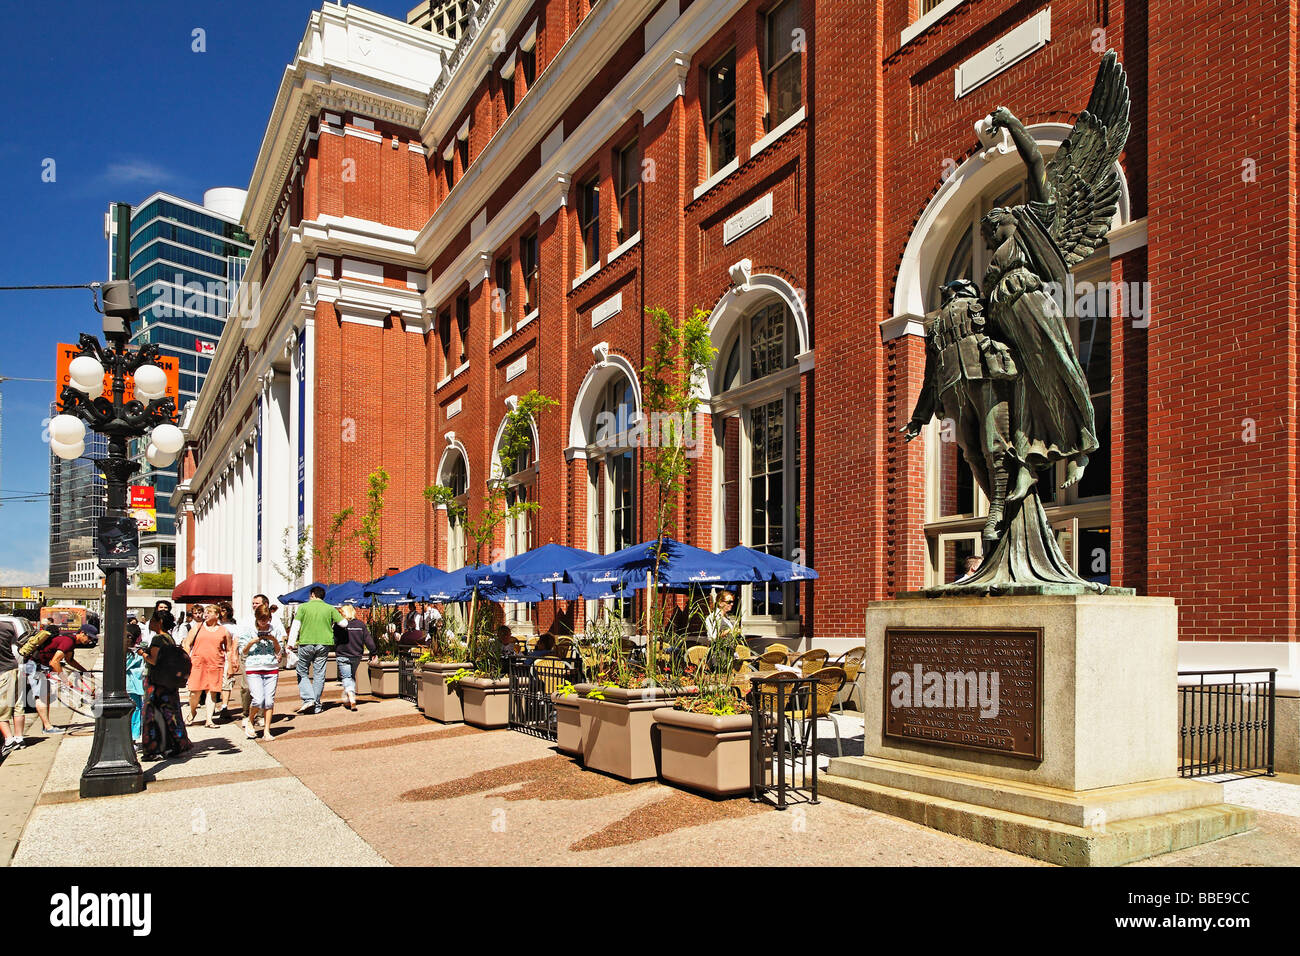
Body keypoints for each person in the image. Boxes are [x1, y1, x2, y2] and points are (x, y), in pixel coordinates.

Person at [139, 610, 192, 761]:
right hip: (169, 682)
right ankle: (177, 743)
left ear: (159, 622)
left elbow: (153, 660)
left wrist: (142, 653)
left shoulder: (158, 639)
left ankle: (153, 749)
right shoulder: (169, 638)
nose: (151, 623)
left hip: (156, 682)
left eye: (153, 620)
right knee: (171, 713)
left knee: (151, 715)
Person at [32, 625, 95, 735]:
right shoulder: (68, 641)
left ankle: (46, 725)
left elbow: (69, 660)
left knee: (45, 695)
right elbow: (54, 662)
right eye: (89, 638)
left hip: (42, 665)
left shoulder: (71, 641)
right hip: (34, 664)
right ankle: (47, 727)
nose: (89, 641)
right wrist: (65, 680)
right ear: (82, 633)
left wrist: (84, 672)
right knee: (41, 696)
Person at [289, 585, 343, 714]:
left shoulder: (303, 607)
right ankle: (317, 705)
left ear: (313, 595)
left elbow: (295, 626)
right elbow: (343, 623)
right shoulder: (330, 608)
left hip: (306, 642)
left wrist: (290, 643)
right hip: (324, 643)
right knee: (319, 674)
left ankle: (308, 699)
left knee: (302, 670)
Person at [186, 605, 233, 728]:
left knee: (211, 692)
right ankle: (192, 711)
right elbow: (187, 643)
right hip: (197, 664)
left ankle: (209, 720)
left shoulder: (224, 631)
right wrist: (186, 659)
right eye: (205, 612)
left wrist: (231, 665)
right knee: (194, 693)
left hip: (215, 664)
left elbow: (229, 649)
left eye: (209, 612)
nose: (205, 615)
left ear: (217, 615)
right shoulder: (198, 627)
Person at [241, 610, 282, 740]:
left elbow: (279, 650)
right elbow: (243, 651)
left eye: (266, 619)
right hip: (254, 667)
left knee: (269, 701)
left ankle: (266, 731)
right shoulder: (249, 630)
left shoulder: (274, 630)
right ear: (256, 618)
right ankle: (250, 719)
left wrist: (273, 640)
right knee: (258, 699)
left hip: (271, 667)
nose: (264, 622)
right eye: (261, 619)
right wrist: (253, 641)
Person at [333, 604, 376, 711]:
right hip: (356, 655)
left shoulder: (339, 625)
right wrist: (374, 651)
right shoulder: (360, 625)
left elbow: (334, 640)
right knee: (351, 676)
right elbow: (368, 639)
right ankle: (349, 696)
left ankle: (351, 697)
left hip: (343, 654)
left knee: (347, 677)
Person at [0, 616, 26, 756]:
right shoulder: (8, 626)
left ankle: (9, 740)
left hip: (3, 673)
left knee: (1, 709)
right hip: (15, 668)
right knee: (18, 705)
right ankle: (19, 738)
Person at [125, 621, 145, 747]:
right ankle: (131, 739)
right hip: (132, 687)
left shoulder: (138, 653)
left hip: (130, 687)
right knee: (134, 712)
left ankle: (131, 739)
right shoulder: (139, 652)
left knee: (134, 713)